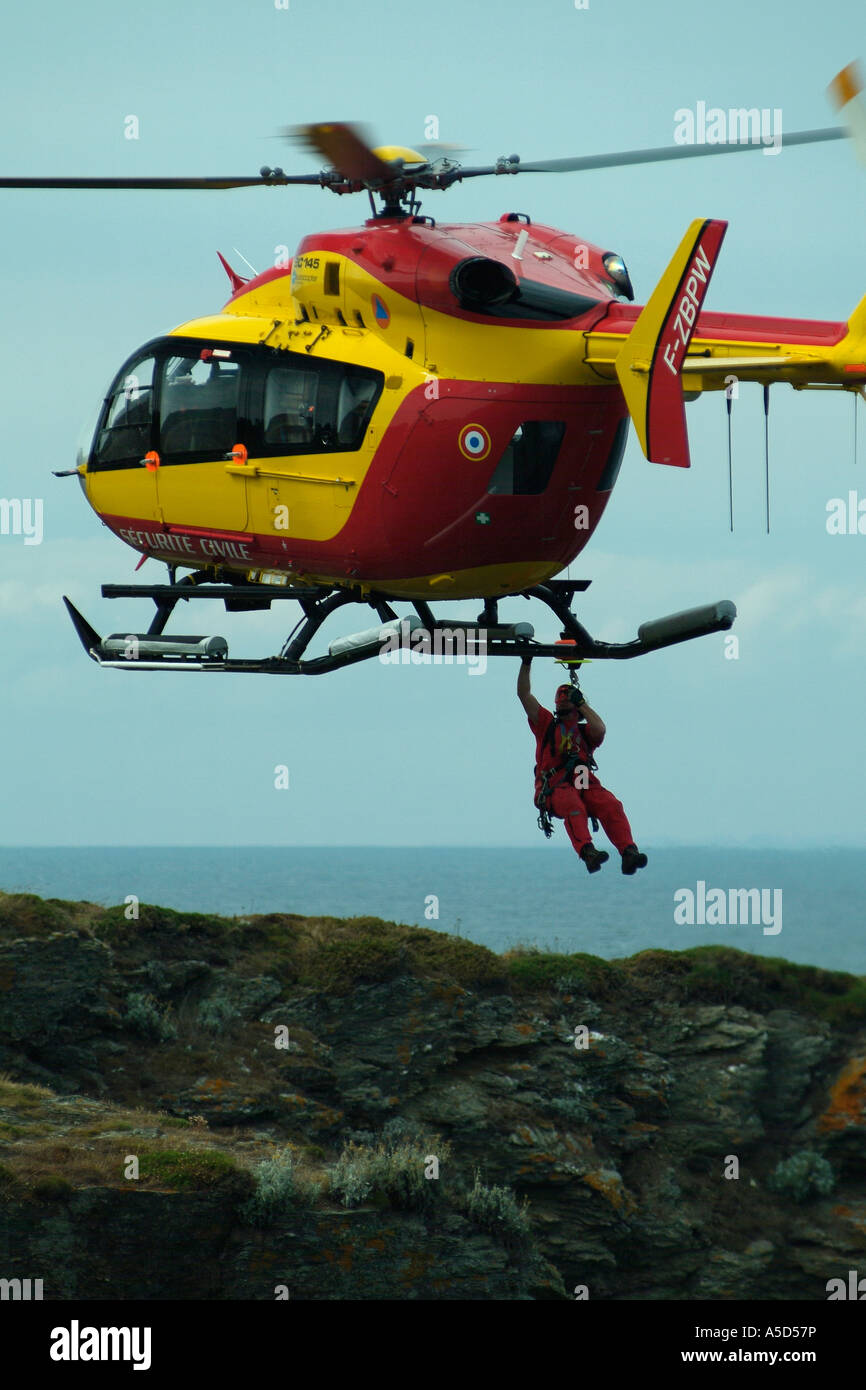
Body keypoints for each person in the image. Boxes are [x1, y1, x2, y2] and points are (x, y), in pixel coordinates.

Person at [517, 655, 648, 875]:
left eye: (570, 710)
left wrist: (582, 704)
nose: (565, 715)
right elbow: (524, 694)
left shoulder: (585, 733)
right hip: (554, 788)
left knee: (610, 804)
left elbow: (600, 728)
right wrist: (526, 662)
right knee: (572, 804)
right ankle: (587, 851)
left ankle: (628, 852)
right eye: (562, 710)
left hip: (584, 783)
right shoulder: (547, 725)